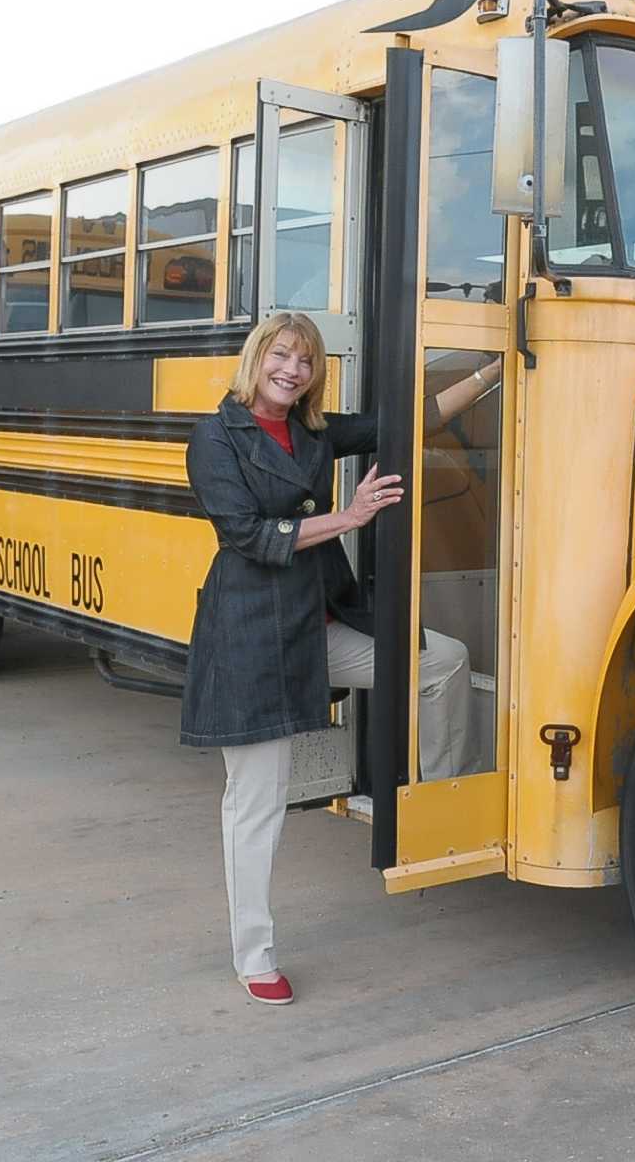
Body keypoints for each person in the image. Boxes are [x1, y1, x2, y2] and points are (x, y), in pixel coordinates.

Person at [180, 311, 503, 1005]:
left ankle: (435, 810)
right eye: (282, 356)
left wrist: (493, 369)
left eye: (304, 361)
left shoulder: (310, 433)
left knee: (441, 663)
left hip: (316, 628)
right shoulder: (214, 437)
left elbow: (407, 421)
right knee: (256, 803)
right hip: (253, 639)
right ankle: (254, 955)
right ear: (257, 357)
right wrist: (348, 518)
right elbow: (248, 535)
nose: (292, 370)